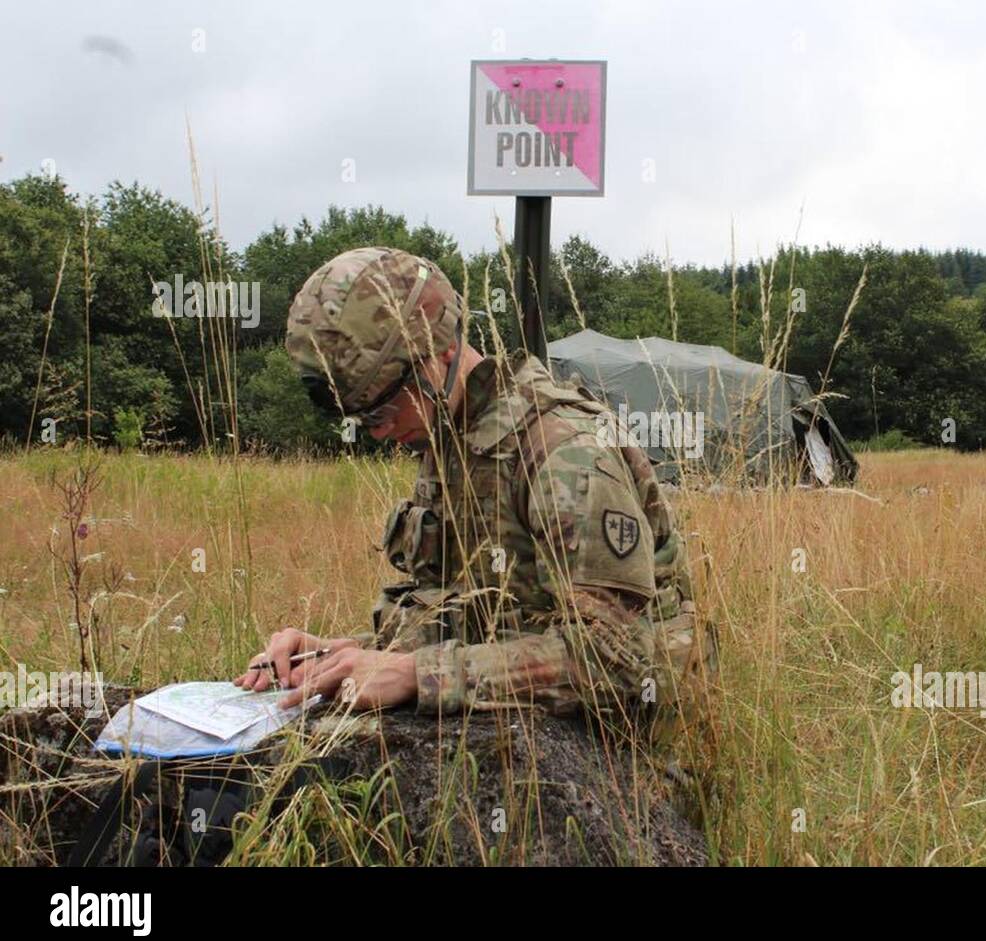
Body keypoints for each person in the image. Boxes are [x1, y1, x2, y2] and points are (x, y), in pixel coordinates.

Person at [235, 247, 715, 734]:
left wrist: (416, 674)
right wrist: (340, 655)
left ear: (440, 356)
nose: (377, 433)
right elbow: (482, 619)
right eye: (361, 419)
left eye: (381, 412)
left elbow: (616, 659)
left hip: (624, 759)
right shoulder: (451, 435)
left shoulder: (567, 454)